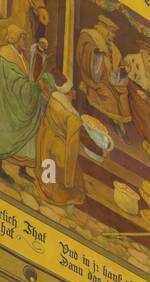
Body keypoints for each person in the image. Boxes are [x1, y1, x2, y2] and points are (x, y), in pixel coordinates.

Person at [34, 71, 85, 205]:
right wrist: (69, 179)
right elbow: (72, 149)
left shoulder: (53, 99)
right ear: (68, 92)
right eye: (73, 90)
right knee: (61, 180)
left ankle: (46, 189)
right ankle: (56, 195)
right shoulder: (73, 117)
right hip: (60, 149)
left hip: (47, 139)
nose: (75, 92)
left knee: (47, 165)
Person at [74, 15, 129, 132]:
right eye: (112, 32)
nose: (113, 36)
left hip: (111, 80)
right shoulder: (89, 35)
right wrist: (96, 54)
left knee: (123, 95)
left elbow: (119, 65)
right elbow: (83, 52)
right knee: (108, 94)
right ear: (104, 29)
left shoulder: (114, 48)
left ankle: (118, 124)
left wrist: (123, 70)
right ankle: (103, 123)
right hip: (94, 77)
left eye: (114, 33)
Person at [0, 26, 40, 175]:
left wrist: (33, 86)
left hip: (18, 100)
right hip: (5, 102)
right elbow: (12, 81)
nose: (25, 41)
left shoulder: (22, 56)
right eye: (23, 37)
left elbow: (26, 78)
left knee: (32, 125)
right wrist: (30, 87)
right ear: (15, 38)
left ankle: (22, 168)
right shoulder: (5, 53)